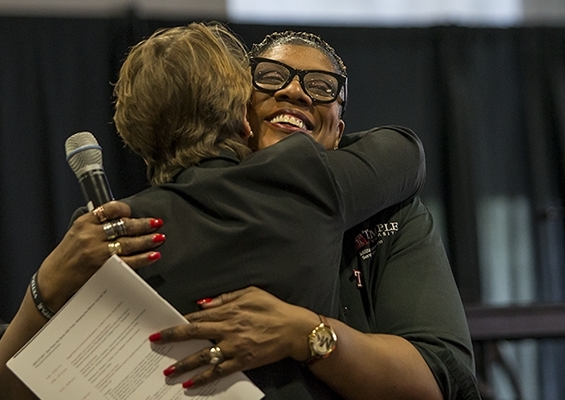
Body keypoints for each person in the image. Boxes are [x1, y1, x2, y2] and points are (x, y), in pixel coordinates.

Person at [0, 22, 426, 399]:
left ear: (131, 132)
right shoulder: (307, 180)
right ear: (242, 115)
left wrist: (43, 287)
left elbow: (11, 389)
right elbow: (406, 152)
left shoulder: (109, 237)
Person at [148, 31, 481, 400]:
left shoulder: (394, 218)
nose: (295, 91)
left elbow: (439, 379)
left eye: (322, 87)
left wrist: (305, 335)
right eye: (272, 77)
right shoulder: (179, 213)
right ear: (237, 111)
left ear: (339, 134)